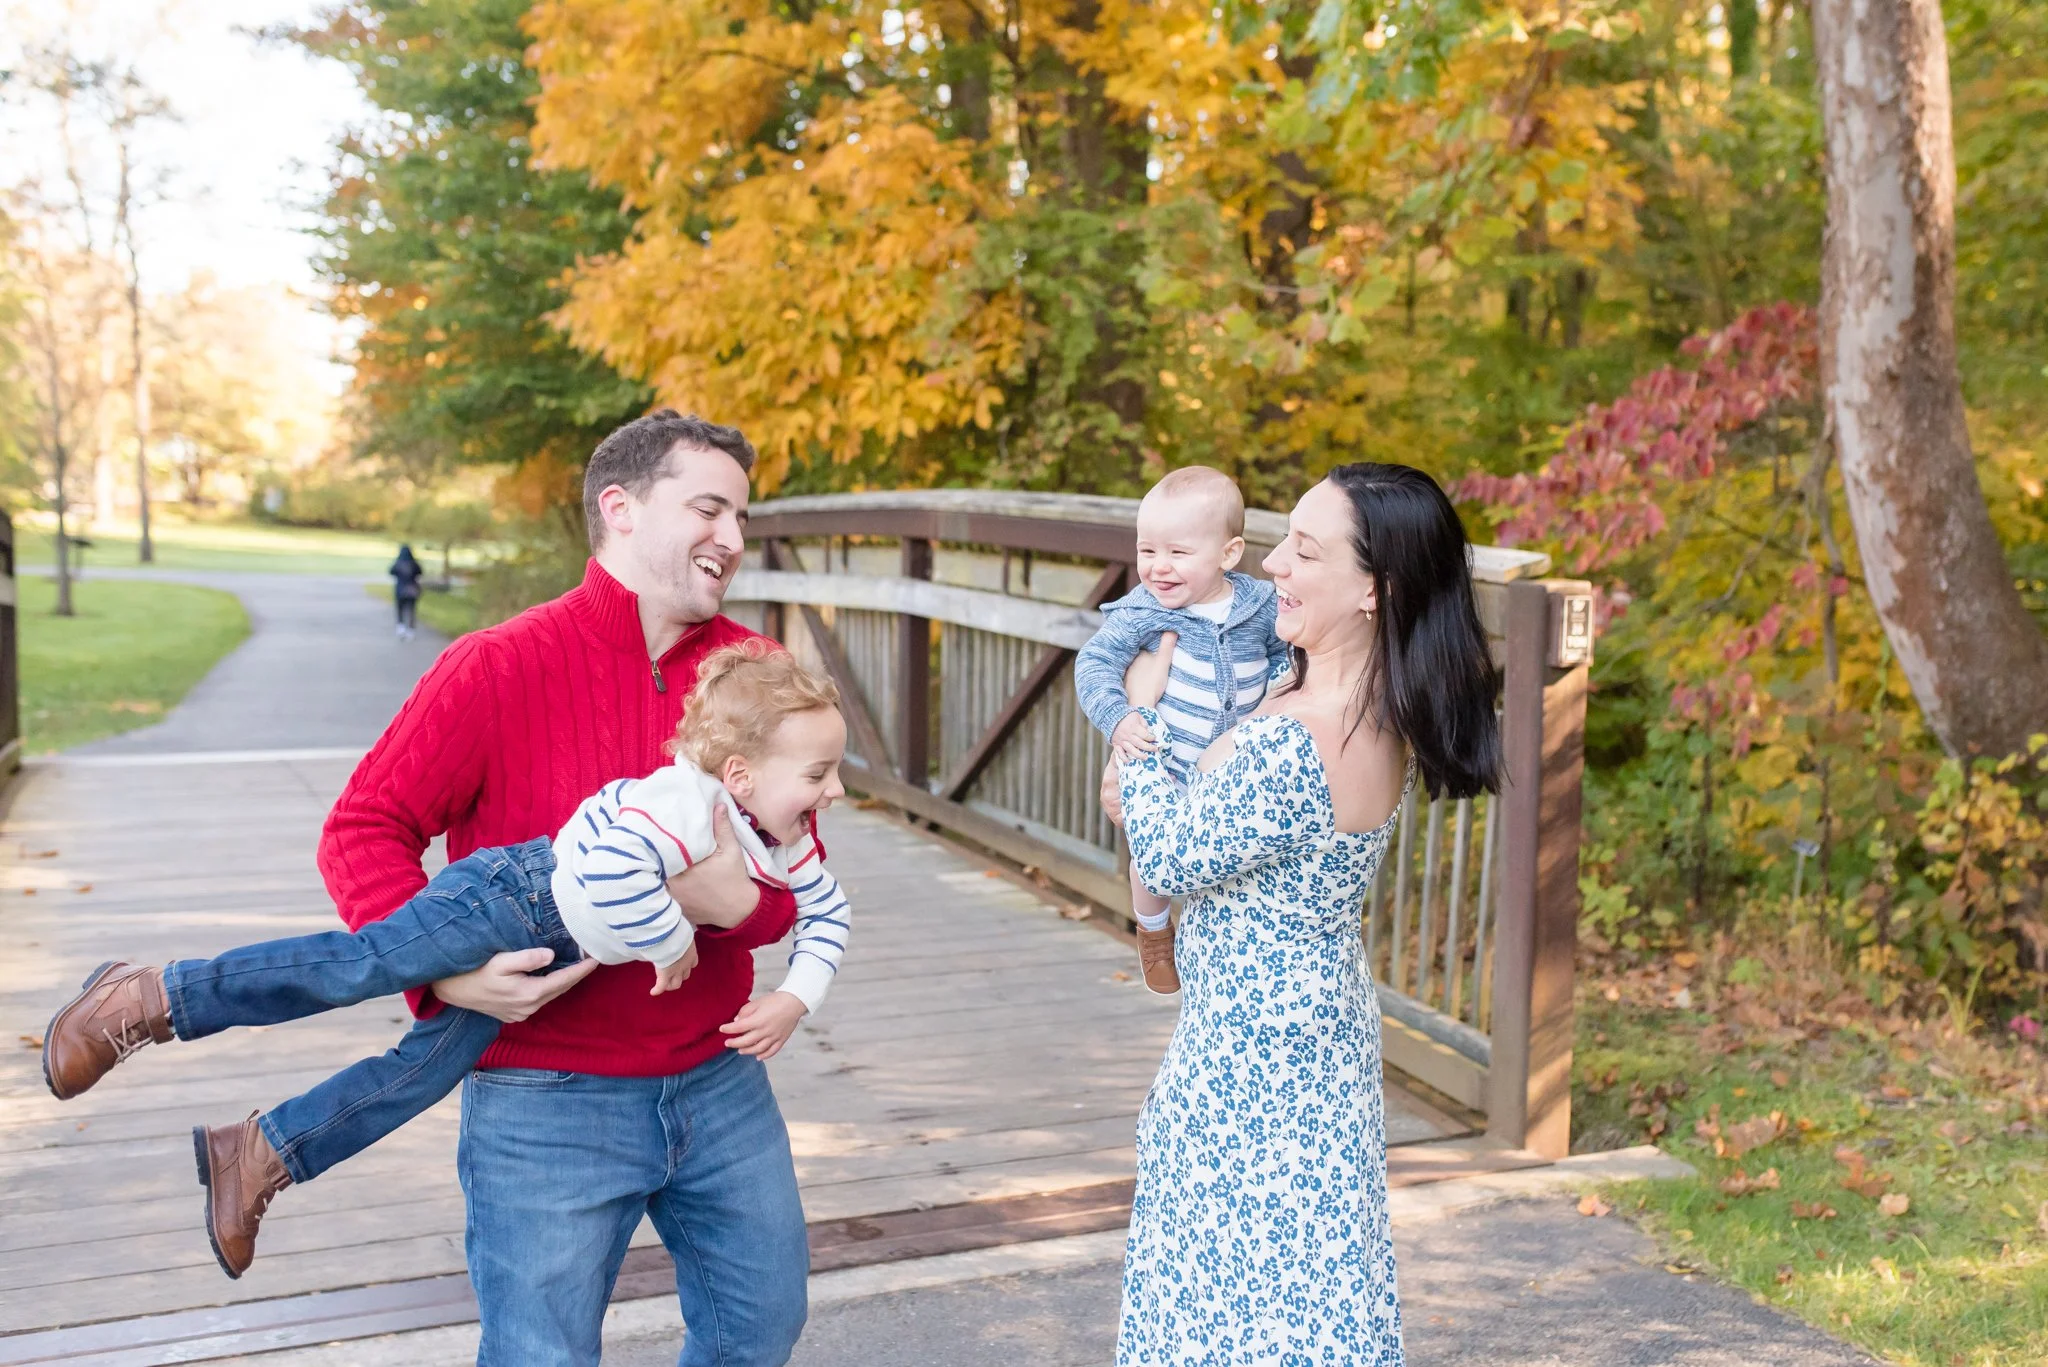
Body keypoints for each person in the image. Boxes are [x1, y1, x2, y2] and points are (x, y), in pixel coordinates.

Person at [39, 642, 854, 1283]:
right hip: (512, 897)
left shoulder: (780, 832)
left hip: (555, 955)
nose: (837, 793)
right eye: (820, 774)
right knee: (355, 965)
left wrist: (796, 997)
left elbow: (825, 912)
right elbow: (605, 870)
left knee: (422, 1069)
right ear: (743, 771)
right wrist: (674, 941)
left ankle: (261, 1152)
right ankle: (154, 996)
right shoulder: (690, 800)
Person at [320, 411, 803, 1364]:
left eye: (743, 517)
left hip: (719, 1079)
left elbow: (794, 885)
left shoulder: (759, 674)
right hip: (543, 1093)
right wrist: (445, 975)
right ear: (619, 508)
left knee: (759, 1331)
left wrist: (736, 904)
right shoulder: (496, 665)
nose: (735, 540)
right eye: (709, 508)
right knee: (539, 1354)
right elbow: (364, 829)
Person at [1108, 463, 1503, 1365]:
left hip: (1258, 1056)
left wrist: (1137, 725)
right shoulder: (1356, 710)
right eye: (1284, 539)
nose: (1275, 564)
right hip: (1305, 1031)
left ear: (1376, 588)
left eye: (1305, 550)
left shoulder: (1306, 733)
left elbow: (1165, 855)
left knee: (1232, 1304)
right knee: (1302, 1289)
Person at [1074, 467, 1291, 994]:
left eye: (1178, 553)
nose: (1158, 568)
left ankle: (1219, 943)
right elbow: (1095, 663)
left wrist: (1285, 687)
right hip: (1167, 767)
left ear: (1228, 553)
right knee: (1151, 859)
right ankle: (1153, 933)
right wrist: (1120, 717)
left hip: (1237, 768)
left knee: (1235, 862)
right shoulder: (1142, 611)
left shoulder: (1260, 605)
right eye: (1147, 551)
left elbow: (1285, 652)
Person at [390, 544, 424, 639]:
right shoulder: (414, 564)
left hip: (400, 590)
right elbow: (420, 573)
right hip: (412, 590)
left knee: (400, 609)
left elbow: (391, 572)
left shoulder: (398, 564)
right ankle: (411, 629)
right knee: (411, 610)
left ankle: (401, 627)